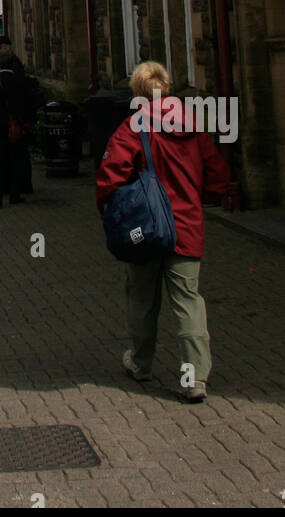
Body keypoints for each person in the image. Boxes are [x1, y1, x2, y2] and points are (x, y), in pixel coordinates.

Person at [95, 61, 232, 404]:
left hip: (145, 229)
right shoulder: (192, 124)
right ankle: (194, 379)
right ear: (167, 88)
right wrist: (202, 198)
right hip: (186, 227)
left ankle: (141, 365)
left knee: (142, 299)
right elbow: (217, 173)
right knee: (188, 302)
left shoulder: (133, 127)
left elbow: (109, 178)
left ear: (138, 92)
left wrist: (113, 216)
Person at [0, 49, 36, 208]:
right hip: (17, 127)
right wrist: (26, 122)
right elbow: (30, 104)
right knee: (16, 160)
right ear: (12, 63)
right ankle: (15, 193)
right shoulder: (21, 81)